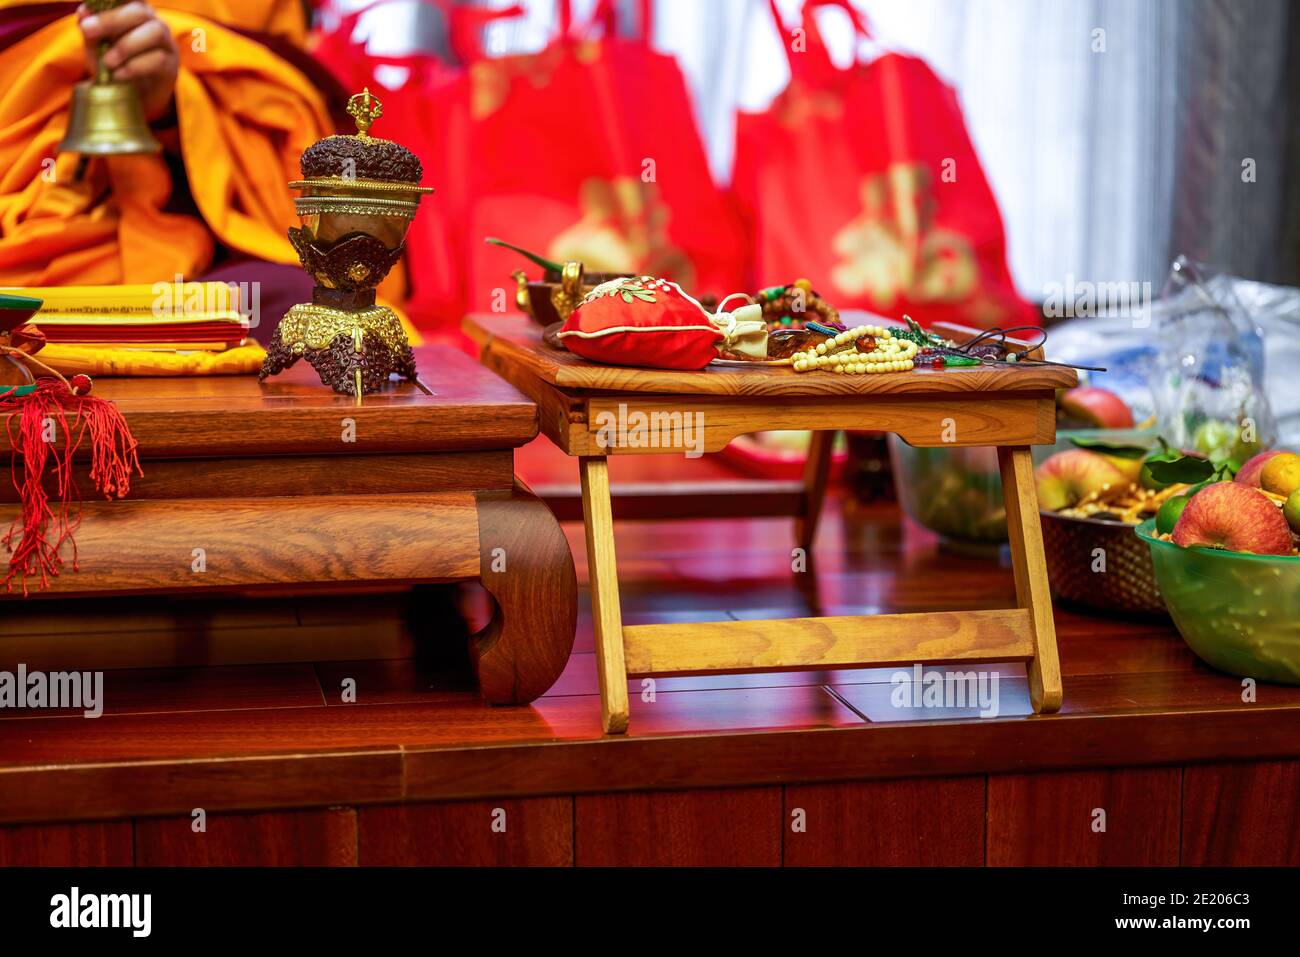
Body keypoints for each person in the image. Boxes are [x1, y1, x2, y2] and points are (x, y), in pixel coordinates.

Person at [0, 1, 371, 343]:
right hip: (29, 228)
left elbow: (280, 101)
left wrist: (171, 106)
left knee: (309, 309)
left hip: (208, 243)